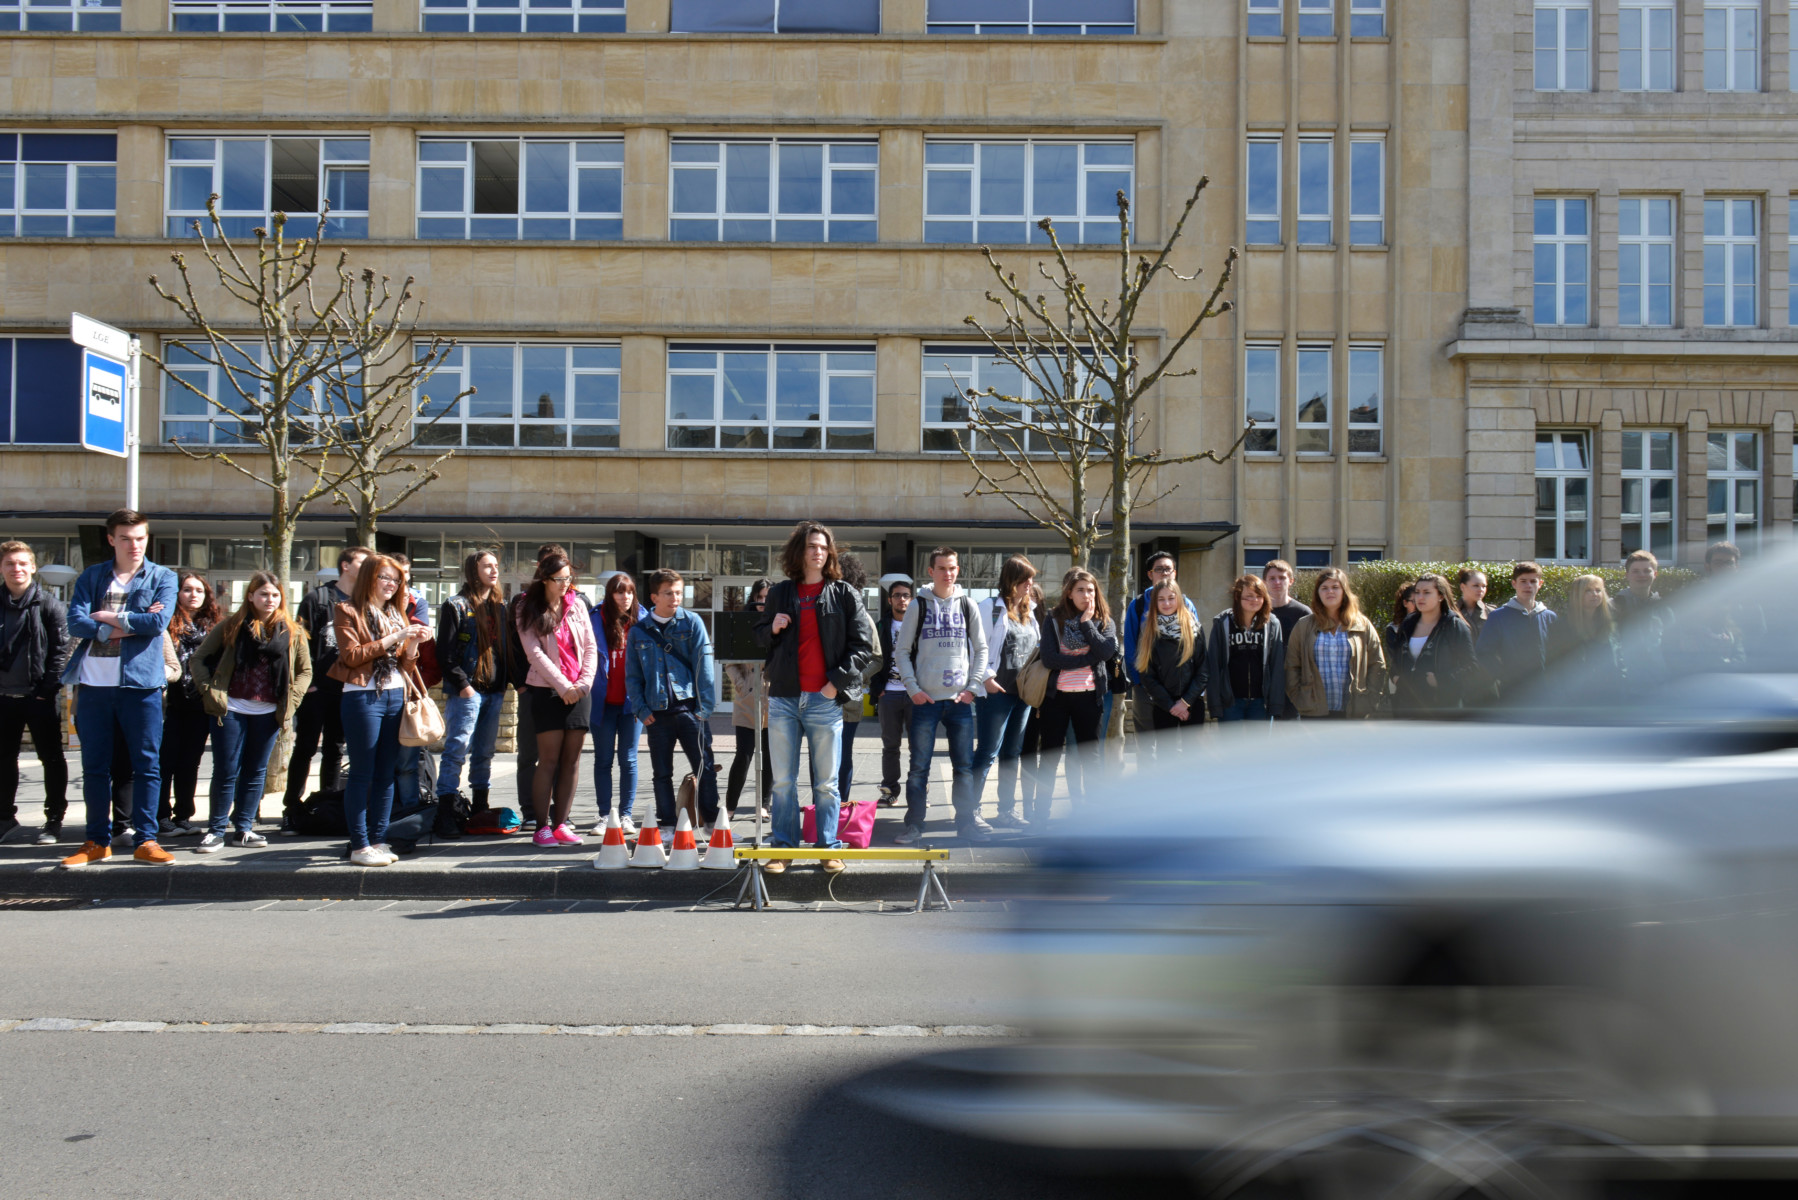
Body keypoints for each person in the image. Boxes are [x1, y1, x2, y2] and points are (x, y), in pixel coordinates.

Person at [59, 509, 179, 868]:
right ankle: (96, 840)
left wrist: (109, 618)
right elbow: (75, 623)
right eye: (126, 538)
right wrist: (132, 624)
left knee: (147, 765)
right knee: (95, 767)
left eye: (140, 537)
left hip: (140, 684)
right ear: (112, 539)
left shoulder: (163, 576)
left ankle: (146, 840)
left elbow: (158, 621)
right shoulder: (93, 576)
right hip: (93, 684)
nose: (134, 545)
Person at [755, 522, 874, 874]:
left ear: (830, 553)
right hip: (784, 698)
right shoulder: (780, 593)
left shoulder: (843, 594)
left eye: (823, 547)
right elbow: (760, 637)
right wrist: (771, 627)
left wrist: (834, 685)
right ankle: (783, 847)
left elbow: (863, 647)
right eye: (811, 546)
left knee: (826, 782)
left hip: (824, 699)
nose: (817, 552)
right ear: (799, 551)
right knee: (782, 781)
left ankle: (828, 847)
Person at [189, 571, 310, 852]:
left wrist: (291, 700)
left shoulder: (293, 631)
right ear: (251, 596)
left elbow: (305, 671)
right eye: (264, 594)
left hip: (269, 711)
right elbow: (199, 659)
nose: (270, 600)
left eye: (275, 595)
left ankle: (244, 828)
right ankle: (216, 830)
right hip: (231, 708)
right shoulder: (231, 626)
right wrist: (210, 691)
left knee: (256, 772)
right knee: (227, 770)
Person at [330, 553, 427, 867]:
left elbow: (405, 664)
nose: (392, 584)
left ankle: (378, 839)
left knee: (388, 773)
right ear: (370, 577)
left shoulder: (396, 613)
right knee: (362, 773)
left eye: (396, 580)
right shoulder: (347, 610)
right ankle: (359, 845)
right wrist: (396, 636)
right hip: (362, 696)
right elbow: (352, 656)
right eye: (385, 578)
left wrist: (413, 642)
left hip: (395, 694)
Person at [894, 547, 990, 845]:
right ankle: (914, 825)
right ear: (931, 571)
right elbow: (901, 651)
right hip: (926, 701)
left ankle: (965, 823)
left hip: (959, 701)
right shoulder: (917, 605)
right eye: (942, 568)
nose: (948, 573)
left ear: (957, 570)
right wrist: (913, 689)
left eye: (952, 568)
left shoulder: (967, 605)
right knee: (918, 768)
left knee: (963, 767)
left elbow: (982, 649)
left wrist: (973, 687)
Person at [627, 568, 721, 842]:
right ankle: (667, 825)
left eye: (679, 592)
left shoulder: (692, 623)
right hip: (657, 713)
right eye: (668, 593)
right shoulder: (639, 631)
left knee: (705, 767)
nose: (675, 598)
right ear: (654, 596)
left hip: (690, 708)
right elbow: (632, 676)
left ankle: (712, 823)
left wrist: (704, 709)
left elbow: (704, 667)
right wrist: (642, 711)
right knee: (661, 773)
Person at [516, 553, 598, 848]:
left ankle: (562, 823)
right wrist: (563, 686)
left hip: (579, 691)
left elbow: (590, 646)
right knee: (548, 760)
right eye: (559, 579)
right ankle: (541, 827)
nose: (565, 584)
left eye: (568, 578)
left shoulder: (577, 604)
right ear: (545, 580)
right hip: (547, 690)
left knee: (571, 761)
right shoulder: (527, 606)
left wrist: (584, 683)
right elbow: (533, 652)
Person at [283, 546, 368, 825]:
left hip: (346, 689)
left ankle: (327, 806)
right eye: (362, 563)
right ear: (345, 565)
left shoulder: (364, 601)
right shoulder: (318, 598)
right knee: (306, 747)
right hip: (316, 689)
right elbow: (298, 643)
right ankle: (292, 808)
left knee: (335, 748)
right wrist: (305, 684)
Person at [436, 550, 514, 821]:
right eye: (487, 566)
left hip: (493, 691)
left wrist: (504, 684)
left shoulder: (499, 608)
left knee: (484, 752)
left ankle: (480, 806)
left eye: (496, 566)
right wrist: (463, 686)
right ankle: (446, 808)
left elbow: (506, 650)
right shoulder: (455, 605)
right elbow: (444, 653)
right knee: (457, 749)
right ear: (473, 571)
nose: (494, 571)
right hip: (467, 691)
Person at [0, 541, 69, 845]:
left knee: (51, 759)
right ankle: (4, 818)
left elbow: (61, 652)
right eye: (10, 564)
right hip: (3, 698)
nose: (16, 569)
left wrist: (45, 692)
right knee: (3, 760)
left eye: (21, 563)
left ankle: (53, 820)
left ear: (32, 567)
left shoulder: (48, 604)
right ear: (2, 568)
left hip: (39, 697)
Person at [1036, 568, 1118, 808]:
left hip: (1089, 698)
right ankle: (1040, 814)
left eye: (1091, 590)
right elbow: (1049, 659)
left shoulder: (1104, 621)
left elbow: (1105, 652)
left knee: (1090, 759)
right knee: (1050, 758)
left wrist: (1086, 624)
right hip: (1056, 698)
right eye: (1080, 590)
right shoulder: (1053, 619)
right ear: (1069, 593)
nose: (1086, 595)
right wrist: (1086, 659)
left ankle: (1090, 814)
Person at [972, 555, 1039, 829]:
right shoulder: (989, 608)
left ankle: (1006, 811)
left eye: (1032, 579)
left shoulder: (1029, 611)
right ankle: (971, 811)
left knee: (1012, 754)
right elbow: (975, 647)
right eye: (1026, 579)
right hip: (996, 694)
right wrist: (986, 677)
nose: (1030, 584)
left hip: (1022, 695)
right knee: (988, 751)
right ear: (1012, 581)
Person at [509, 543, 569, 824]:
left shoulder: (574, 602)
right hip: (533, 689)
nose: (559, 579)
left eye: (562, 572)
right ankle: (531, 812)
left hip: (565, 691)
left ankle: (559, 813)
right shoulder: (523, 603)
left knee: (560, 757)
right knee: (529, 754)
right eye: (550, 569)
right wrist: (521, 684)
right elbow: (517, 648)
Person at [157, 569, 220, 837]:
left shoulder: (213, 626)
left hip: (199, 701)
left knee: (190, 761)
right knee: (165, 761)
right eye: (187, 589)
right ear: (177, 593)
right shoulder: (166, 621)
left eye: (199, 590)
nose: (193, 595)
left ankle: (184, 815)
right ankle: (161, 816)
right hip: (169, 701)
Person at [1286, 567, 1387, 720]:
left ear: (1344, 592)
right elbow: (1292, 666)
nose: (1330, 592)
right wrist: (1300, 699)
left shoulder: (1362, 624)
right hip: (1313, 711)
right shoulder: (1304, 625)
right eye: (1324, 588)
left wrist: (1370, 700)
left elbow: (1377, 663)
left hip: (1353, 711)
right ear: (1318, 593)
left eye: (1335, 587)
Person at [589, 570, 646, 835]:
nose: (625, 597)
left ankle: (625, 815)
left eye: (629, 591)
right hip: (602, 702)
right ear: (610, 594)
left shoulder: (643, 621)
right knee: (603, 760)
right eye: (619, 591)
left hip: (631, 704)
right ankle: (604, 816)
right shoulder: (595, 619)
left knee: (629, 759)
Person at [1120, 551, 1199, 734]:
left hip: (1180, 687)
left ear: (1175, 573)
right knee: (1147, 741)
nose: (1164, 573)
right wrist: (1138, 682)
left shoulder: (1186, 605)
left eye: (1168, 569)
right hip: (1146, 685)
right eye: (1159, 569)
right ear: (1150, 574)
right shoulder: (1138, 605)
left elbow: (1195, 647)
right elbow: (1131, 645)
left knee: (1175, 744)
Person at [1133, 579, 1207, 756]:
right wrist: (1170, 705)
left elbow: (1204, 670)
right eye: (1161, 599)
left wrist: (1185, 702)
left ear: (1179, 599)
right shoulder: (1149, 631)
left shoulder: (1194, 628)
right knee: (1167, 759)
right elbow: (1146, 673)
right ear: (1155, 602)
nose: (1166, 603)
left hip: (1192, 703)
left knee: (1193, 758)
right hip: (1163, 705)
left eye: (1171, 598)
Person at [1388, 572, 1477, 715]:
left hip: (1441, 706)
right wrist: (1396, 677)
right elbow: (1396, 660)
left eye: (1427, 592)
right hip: (1406, 706)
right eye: (1417, 592)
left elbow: (1471, 667)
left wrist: (1441, 680)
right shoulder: (1408, 623)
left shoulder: (1454, 625)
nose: (1420, 597)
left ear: (1441, 596)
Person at [831, 553, 881, 804]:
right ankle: (822, 807)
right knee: (821, 757)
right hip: (821, 698)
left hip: (848, 701)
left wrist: (852, 678)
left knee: (843, 754)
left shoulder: (863, 617)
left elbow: (877, 658)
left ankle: (841, 804)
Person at [724, 578, 772, 821]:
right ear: (753, 598)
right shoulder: (742, 625)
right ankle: (730, 806)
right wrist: (742, 686)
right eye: (759, 597)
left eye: (767, 597)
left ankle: (764, 805)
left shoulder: (781, 622)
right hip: (747, 699)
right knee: (743, 755)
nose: (763, 602)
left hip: (773, 700)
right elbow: (730, 661)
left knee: (770, 755)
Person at [1480, 561, 1556, 699]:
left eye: (1533, 581)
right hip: (1512, 691)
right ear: (1514, 583)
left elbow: (1560, 650)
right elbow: (1484, 652)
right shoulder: (1498, 617)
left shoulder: (1549, 617)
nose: (1528, 586)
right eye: (1523, 581)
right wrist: (1503, 675)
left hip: (1546, 690)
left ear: (1540, 584)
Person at [871, 574, 914, 807]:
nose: (901, 600)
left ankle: (918, 791)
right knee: (890, 746)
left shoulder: (919, 625)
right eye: (897, 596)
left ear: (912, 599)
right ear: (890, 600)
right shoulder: (881, 626)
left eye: (906, 596)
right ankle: (890, 792)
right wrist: (877, 688)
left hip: (915, 693)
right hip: (889, 693)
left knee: (918, 746)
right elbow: (872, 657)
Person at [1546, 574, 1624, 694]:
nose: (1595, 594)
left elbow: (1619, 658)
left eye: (1598, 590)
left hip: (1609, 692)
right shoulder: (1561, 627)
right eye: (1588, 590)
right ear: (1577, 595)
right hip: (1575, 694)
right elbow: (1555, 667)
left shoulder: (1611, 624)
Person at [1262, 559, 1311, 719]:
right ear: (1264, 582)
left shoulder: (1303, 613)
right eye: (1272, 578)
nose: (1277, 582)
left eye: (1282, 578)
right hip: (1263, 683)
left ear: (1291, 581)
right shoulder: (1257, 610)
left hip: (1291, 684)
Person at [1613, 550, 1669, 628]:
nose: (1641, 575)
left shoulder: (1663, 608)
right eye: (1635, 571)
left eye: (1647, 571)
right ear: (1627, 575)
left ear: (1655, 574)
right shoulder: (1614, 607)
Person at [1455, 567, 1493, 643]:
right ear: (1463, 587)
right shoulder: (1451, 611)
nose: (1481, 589)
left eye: (1484, 586)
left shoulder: (1491, 612)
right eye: (1476, 585)